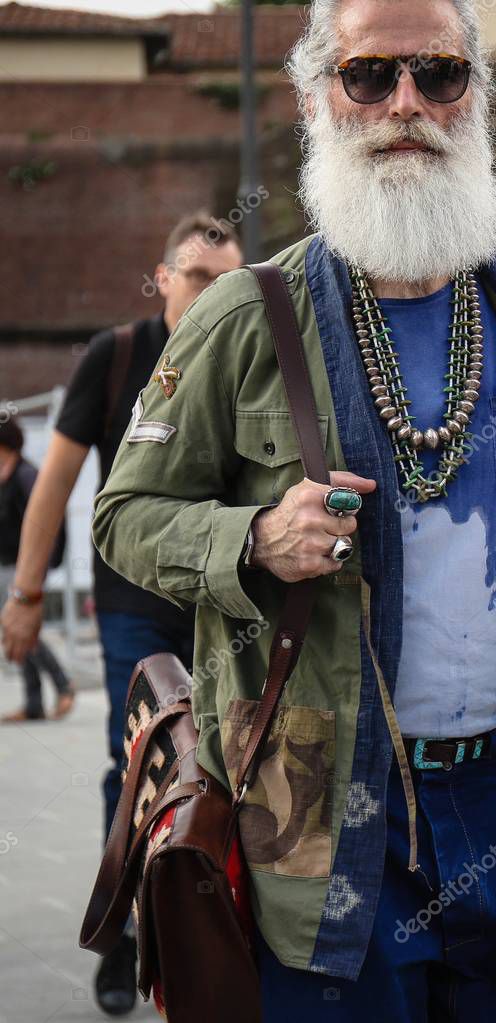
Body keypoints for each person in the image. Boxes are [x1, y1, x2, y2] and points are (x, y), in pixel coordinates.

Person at [91, 2, 496, 1019]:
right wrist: (252, 538)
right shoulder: (242, 317)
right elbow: (124, 515)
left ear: (475, 96)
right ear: (316, 98)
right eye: (369, 74)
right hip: (316, 810)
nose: (405, 102)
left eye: (438, 74)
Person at [1, 211, 243, 1017]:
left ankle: (217, 921)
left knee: (232, 761)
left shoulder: (252, 353)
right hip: (134, 601)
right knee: (139, 759)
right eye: (197, 277)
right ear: (163, 278)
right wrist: (26, 595)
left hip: (226, 600)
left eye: (227, 280)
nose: (212, 293)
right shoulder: (115, 358)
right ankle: (127, 931)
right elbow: (56, 481)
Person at [0, 418, 74, 722]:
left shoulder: (26, 474)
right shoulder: (4, 476)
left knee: (19, 627)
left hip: (23, 569)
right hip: (5, 564)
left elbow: (47, 521)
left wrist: (41, 567)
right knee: (13, 630)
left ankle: (63, 684)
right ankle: (33, 704)